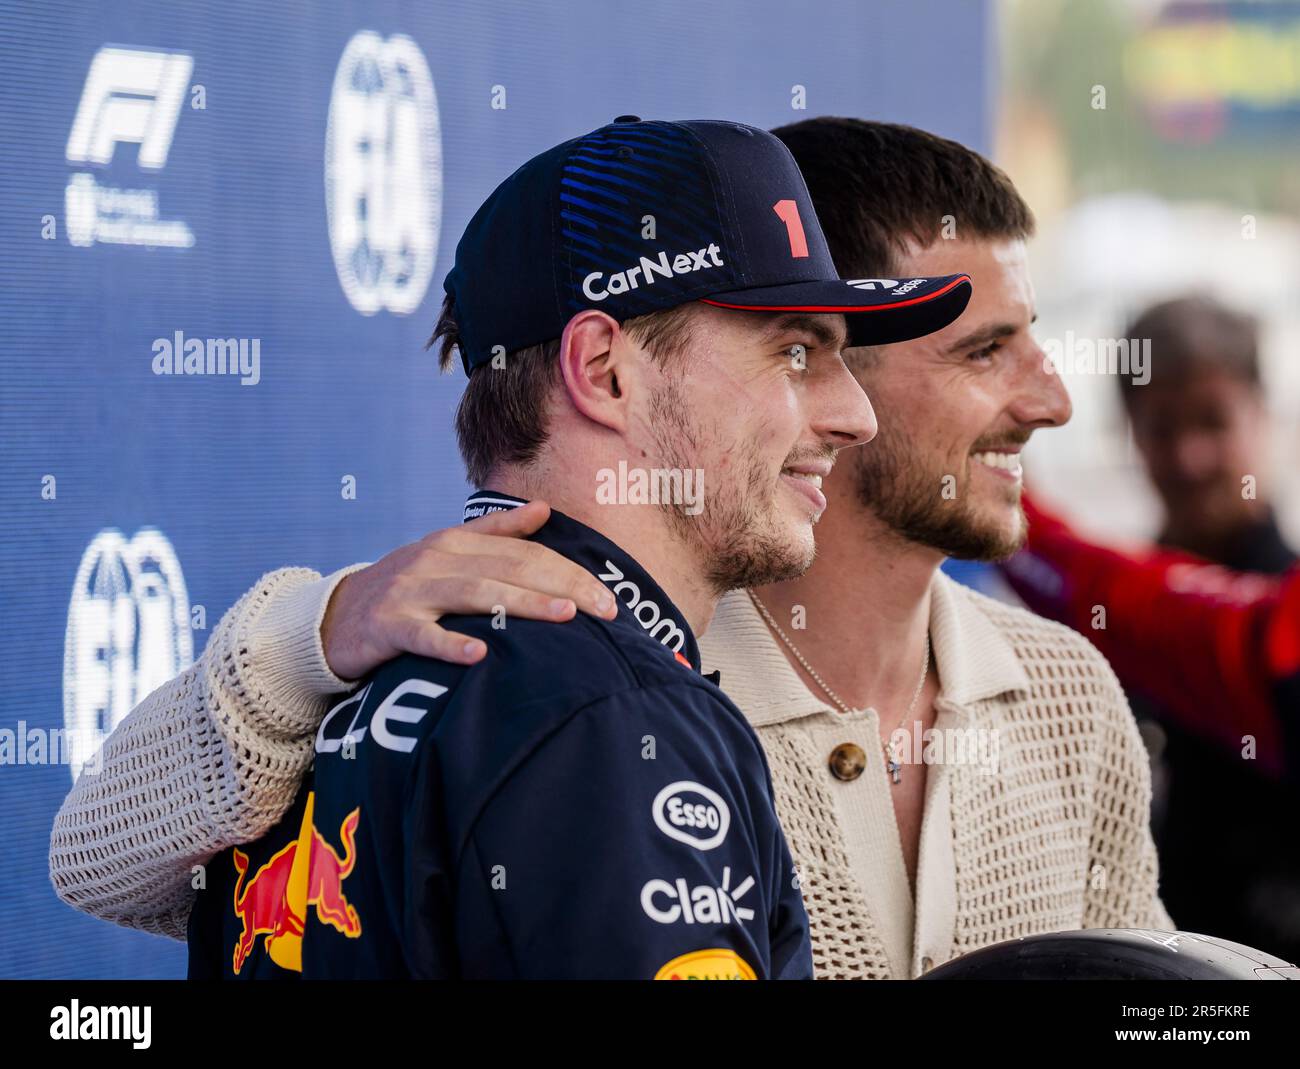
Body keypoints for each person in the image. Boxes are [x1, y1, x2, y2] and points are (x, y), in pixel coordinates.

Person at [52, 117, 1169, 982]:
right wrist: (317, 626)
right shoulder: (591, 702)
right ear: (605, 372)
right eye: (793, 352)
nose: (846, 410)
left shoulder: (427, 666)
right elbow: (94, 854)